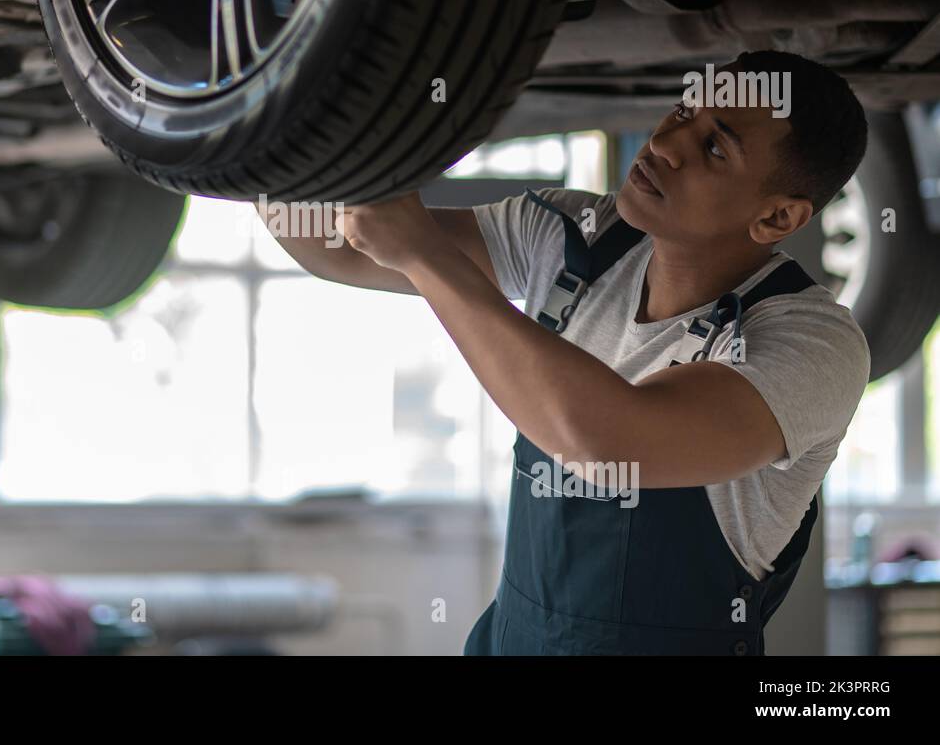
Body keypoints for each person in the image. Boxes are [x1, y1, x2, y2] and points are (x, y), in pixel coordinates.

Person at [259, 50, 870, 655]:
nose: (666, 143)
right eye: (685, 110)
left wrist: (423, 253)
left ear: (776, 217)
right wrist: (254, 126)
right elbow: (337, 246)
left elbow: (607, 445)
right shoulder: (581, 236)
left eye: (715, 148)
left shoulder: (812, 343)